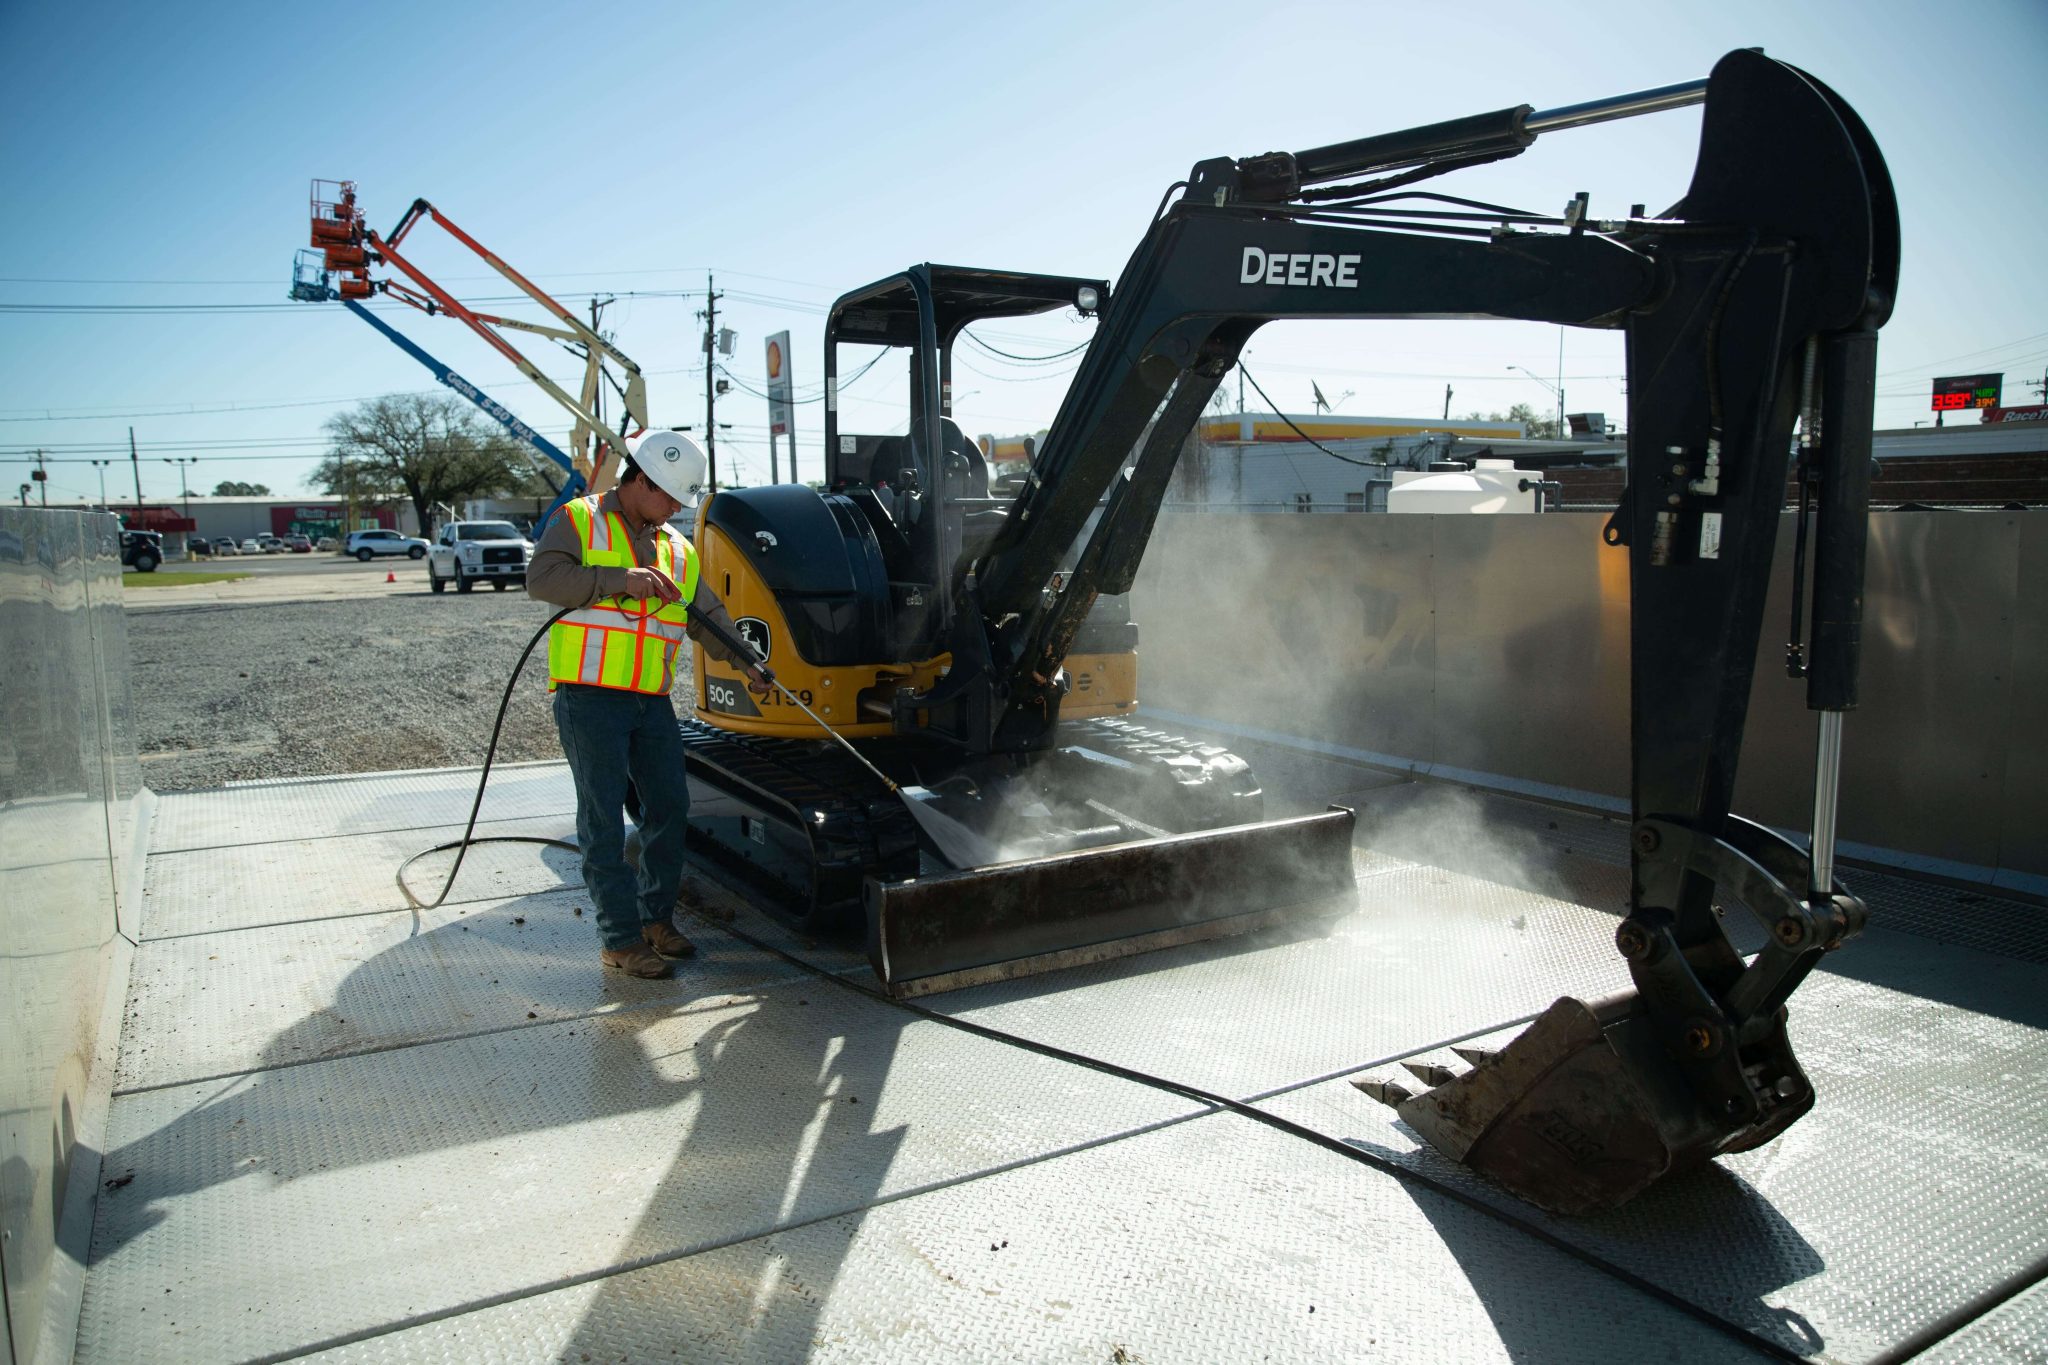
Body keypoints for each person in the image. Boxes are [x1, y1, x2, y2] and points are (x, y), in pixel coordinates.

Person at [527, 431, 770, 979]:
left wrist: (749, 663)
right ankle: (620, 938)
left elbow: (706, 618)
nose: (676, 510)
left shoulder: (676, 549)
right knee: (603, 820)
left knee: (668, 808)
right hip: (590, 698)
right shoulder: (580, 519)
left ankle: (655, 918)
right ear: (641, 480)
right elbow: (540, 579)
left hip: (650, 702)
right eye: (670, 498)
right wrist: (619, 580)